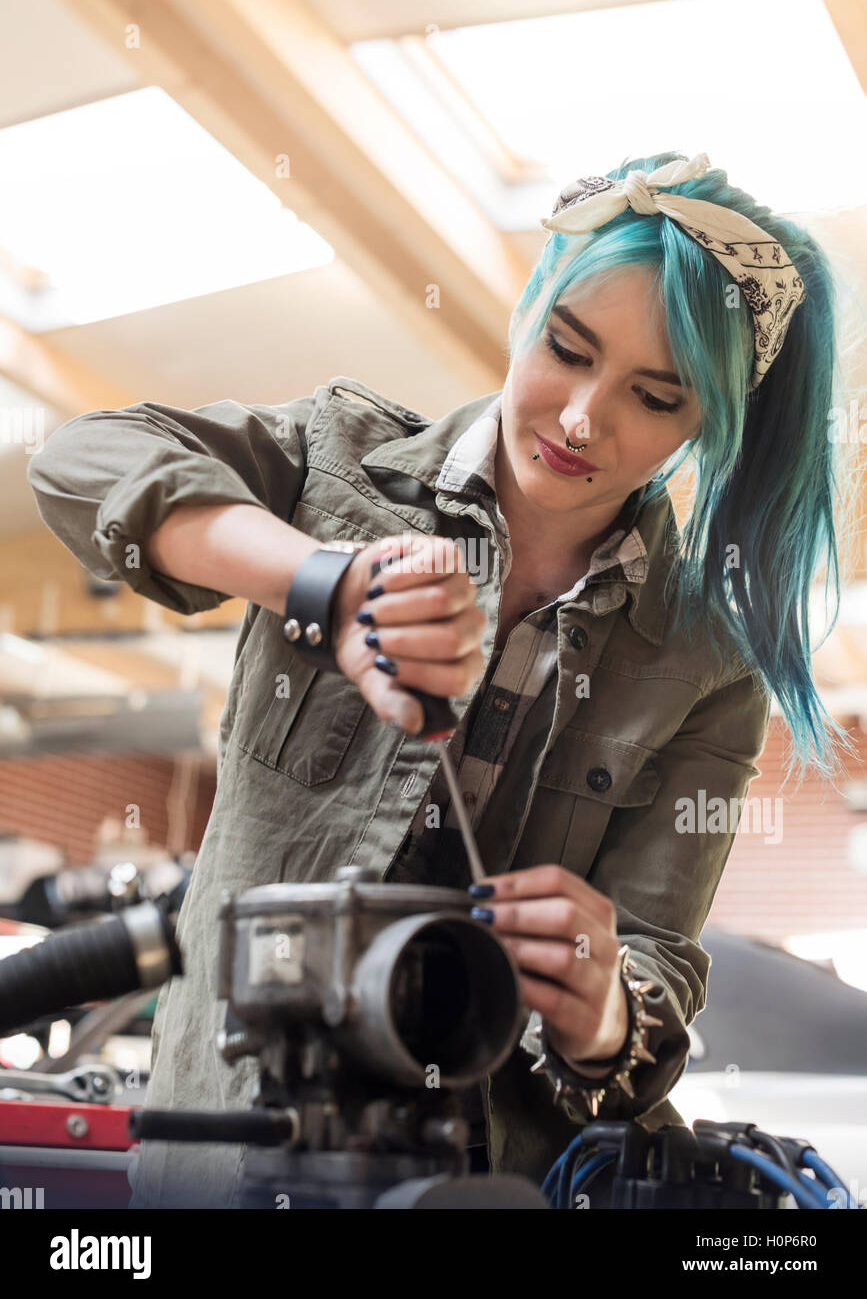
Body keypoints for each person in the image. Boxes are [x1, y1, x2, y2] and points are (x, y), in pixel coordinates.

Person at [26, 150, 857, 1208]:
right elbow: (84, 460)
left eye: (655, 397)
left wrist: (605, 1009)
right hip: (219, 1154)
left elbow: (656, 969)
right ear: (530, 305)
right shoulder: (329, 463)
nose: (582, 419)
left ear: (702, 428)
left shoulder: (703, 662)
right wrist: (319, 580)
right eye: (567, 348)